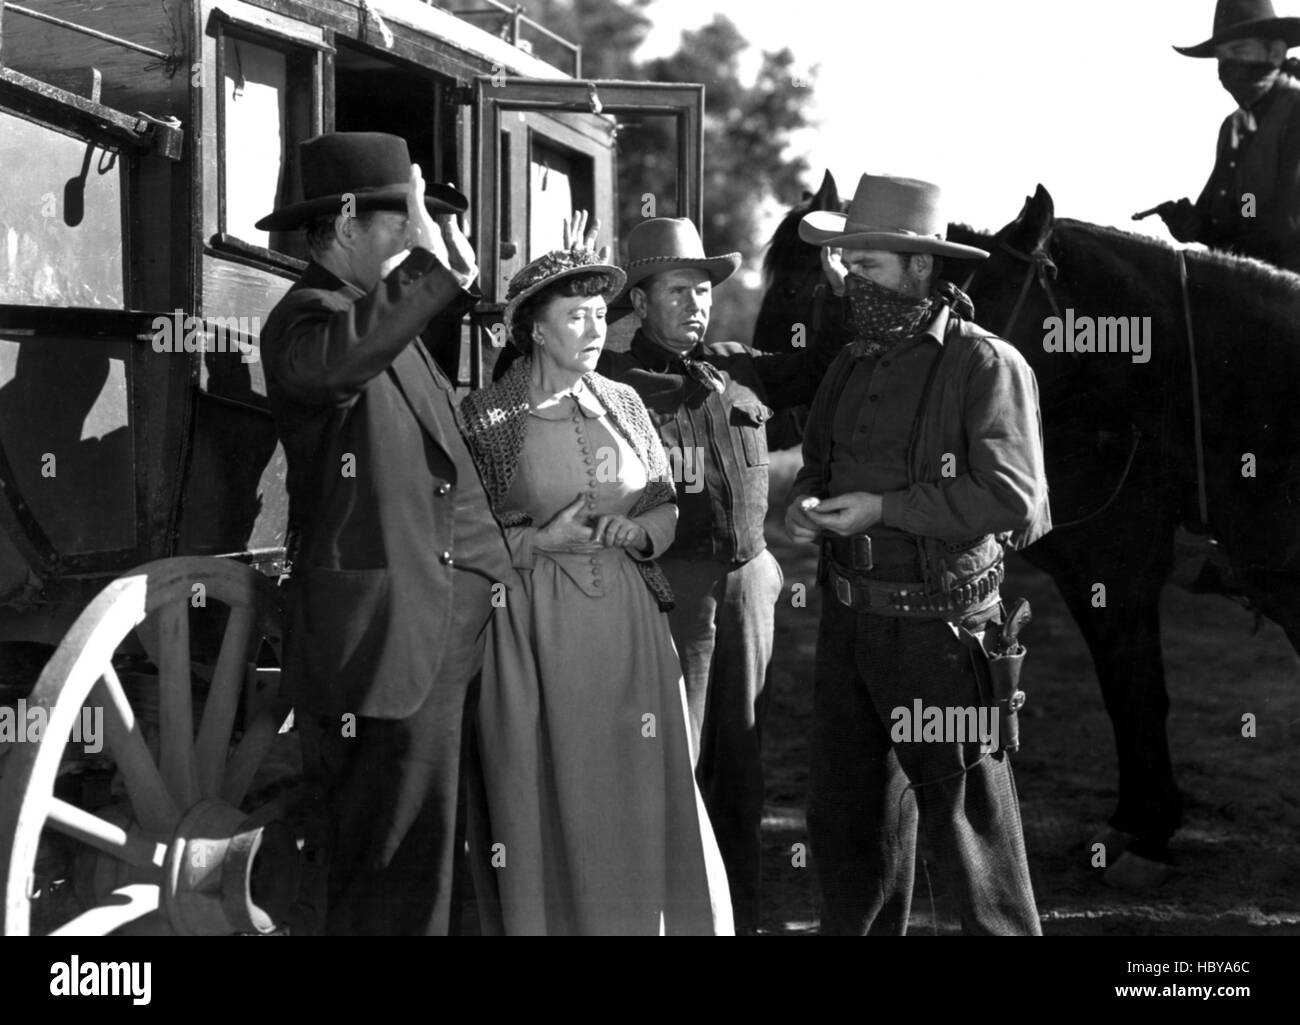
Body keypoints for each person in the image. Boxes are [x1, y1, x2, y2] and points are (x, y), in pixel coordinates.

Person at [257, 131, 516, 935]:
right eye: (404, 223)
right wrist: (429, 273)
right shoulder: (307, 319)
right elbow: (336, 365)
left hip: (439, 637)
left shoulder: (379, 323)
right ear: (344, 226)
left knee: (431, 865)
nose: (418, 239)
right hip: (384, 648)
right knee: (390, 875)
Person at [785, 173, 1051, 935]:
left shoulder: (986, 363)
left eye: (867, 266)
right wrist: (807, 502)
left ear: (921, 266)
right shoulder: (850, 361)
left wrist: (886, 509)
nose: (850, 283)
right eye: (847, 265)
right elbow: (817, 461)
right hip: (849, 626)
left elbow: (1016, 498)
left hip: (944, 636)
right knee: (849, 832)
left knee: (969, 838)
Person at [459, 214, 733, 936]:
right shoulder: (487, 418)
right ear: (535, 330)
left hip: (632, 628)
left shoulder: (624, 402)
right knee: (558, 785)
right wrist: (536, 540)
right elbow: (459, 531)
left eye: (598, 315)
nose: (592, 330)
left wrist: (641, 533)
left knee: (639, 783)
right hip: (536, 632)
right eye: (574, 317)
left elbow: (665, 502)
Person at [597, 217, 848, 934]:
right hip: (667, 591)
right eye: (677, 290)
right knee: (671, 765)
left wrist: (833, 288)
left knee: (741, 766)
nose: (696, 304)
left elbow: (825, 365)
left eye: (703, 290)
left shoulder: (739, 366)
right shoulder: (609, 380)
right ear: (639, 302)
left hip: (750, 585)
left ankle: (736, 916)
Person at [1155, 0, 1300, 270]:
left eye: (1238, 50)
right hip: (1253, 279)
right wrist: (1194, 223)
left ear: (1275, 53)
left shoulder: (1295, 113)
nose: (1227, 66)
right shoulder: (1236, 126)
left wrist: (1235, 238)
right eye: (1221, 58)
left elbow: (1288, 222)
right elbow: (1248, 206)